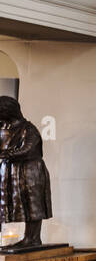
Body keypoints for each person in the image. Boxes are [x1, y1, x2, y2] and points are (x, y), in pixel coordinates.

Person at [0, 96, 52, 250]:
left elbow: (29, 148)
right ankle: (28, 239)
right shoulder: (5, 128)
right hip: (13, 172)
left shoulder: (29, 129)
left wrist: (7, 153)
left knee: (32, 204)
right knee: (17, 205)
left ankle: (32, 238)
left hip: (30, 172)